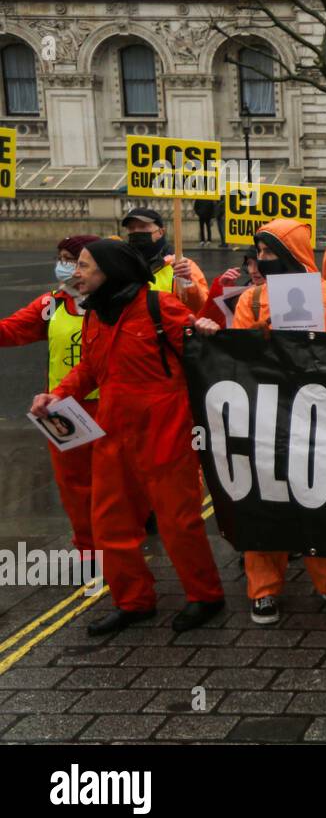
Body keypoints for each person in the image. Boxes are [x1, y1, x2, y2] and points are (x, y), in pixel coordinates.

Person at [30, 240, 225, 635]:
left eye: (84, 266)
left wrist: (206, 328)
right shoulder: (97, 314)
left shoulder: (160, 307)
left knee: (178, 522)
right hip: (113, 434)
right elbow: (89, 369)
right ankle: (133, 601)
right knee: (109, 524)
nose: (75, 273)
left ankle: (205, 596)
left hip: (165, 433)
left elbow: (203, 353)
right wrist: (59, 394)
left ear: (110, 272)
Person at [195, 218, 326, 625]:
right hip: (266, 415)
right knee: (264, 501)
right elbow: (236, 360)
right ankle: (263, 589)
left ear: (290, 253)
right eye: (260, 252)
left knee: (322, 501)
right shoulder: (250, 301)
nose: (262, 260)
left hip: (319, 416)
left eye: (269, 252)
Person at [0, 234, 100, 555]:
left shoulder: (117, 302)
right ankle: (87, 548)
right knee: (73, 486)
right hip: (65, 408)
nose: (64, 266)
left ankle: (123, 540)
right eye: (61, 258)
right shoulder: (53, 302)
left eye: (72, 259)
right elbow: (11, 330)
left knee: (118, 483)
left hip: (112, 405)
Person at [120, 208, 209, 314]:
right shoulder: (121, 264)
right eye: (131, 228)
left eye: (143, 226)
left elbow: (200, 308)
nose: (136, 231)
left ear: (161, 232)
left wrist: (187, 282)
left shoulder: (183, 266)